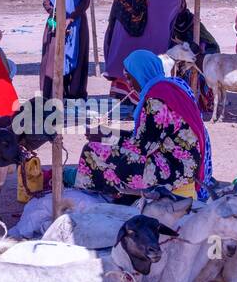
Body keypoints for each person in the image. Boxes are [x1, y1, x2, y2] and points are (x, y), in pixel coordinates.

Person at [74, 49, 210, 200]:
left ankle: (97, 199)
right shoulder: (169, 89)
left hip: (173, 170)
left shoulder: (156, 100)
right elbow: (146, 137)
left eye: (130, 78)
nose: (129, 84)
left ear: (140, 74)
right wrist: (107, 134)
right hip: (181, 164)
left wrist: (105, 137)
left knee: (92, 150)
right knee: (109, 150)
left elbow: (140, 147)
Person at [102, 0, 181, 89]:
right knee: (122, 53)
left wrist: (152, 7)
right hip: (126, 25)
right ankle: (123, 85)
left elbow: (173, 0)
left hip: (148, 27)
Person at [41, 0, 90, 99]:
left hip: (77, 24)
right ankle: (53, 93)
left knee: (76, 57)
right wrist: (56, 16)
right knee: (53, 58)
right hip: (55, 24)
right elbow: (46, 1)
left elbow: (84, 2)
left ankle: (74, 93)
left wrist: (71, 18)